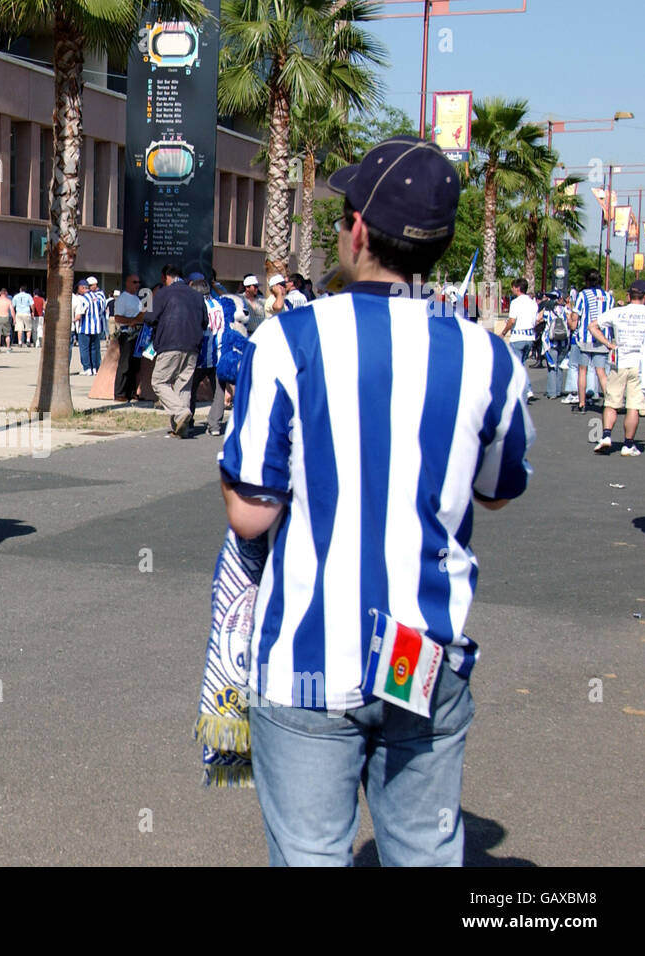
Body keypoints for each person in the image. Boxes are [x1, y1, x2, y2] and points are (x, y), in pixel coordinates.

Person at [219, 136, 533, 866]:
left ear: (358, 229)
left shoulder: (287, 339)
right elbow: (497, 492)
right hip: (419, 648)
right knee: (423, 847)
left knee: (310, 853)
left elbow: (251, 511)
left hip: (308, 653)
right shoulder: (487, 356)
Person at [145, 264, 205, 438]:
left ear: (165, 277)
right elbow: (205, 321)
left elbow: (149, 317)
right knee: (183, 386)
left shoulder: (163, 293)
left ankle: (180, 413)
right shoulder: (196, 296)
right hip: (193, 345)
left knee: (159, 381)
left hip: (169, 344)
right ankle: (181, 429)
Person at [588, 278, 645, 456]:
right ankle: (628, 444)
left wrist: (608, 344)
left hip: (619, 361)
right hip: (640, 364)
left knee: (612, 402)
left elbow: (593, 326)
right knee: (633, 406)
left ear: (629, 295)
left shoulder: (617, 312)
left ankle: (606, 435)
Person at [188, 274, 226, 436]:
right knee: (219, 391)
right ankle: (215, 424)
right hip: (218, 353)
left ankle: (188, 421)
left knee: (189, 389)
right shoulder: (219, 305)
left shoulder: (196, 307)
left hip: (200, 355)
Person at [570, 270, 614, 414]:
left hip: (585, 337)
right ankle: (609, 402)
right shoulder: (609, 297)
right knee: (601, 372)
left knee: (582, 370)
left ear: (587, 281)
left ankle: (582, 403)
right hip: (602, 338)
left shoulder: (583, 295)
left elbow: (576, 316)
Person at [503, 277, 537, 402]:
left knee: (517, 366)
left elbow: (512, 320)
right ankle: (525, 390)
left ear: (517, 288)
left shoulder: (515, 303)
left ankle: (526, 391)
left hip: (518, 337)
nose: (512, 289)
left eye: (513, 287)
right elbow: (535, 320)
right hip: (529, 337)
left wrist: (503, 333)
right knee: (522, 364)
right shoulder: (533, 303)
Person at [112, 274, 145, 402]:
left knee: (134, 365)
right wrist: (132, 321)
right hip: (127, 334)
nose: (137, 285)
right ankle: (119, 392)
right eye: (134, 282)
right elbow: (118, 318)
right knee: (124, 364)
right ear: (127, 283)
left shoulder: (137, 299)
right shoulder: (122, 299)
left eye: (138, 282)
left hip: (137, 334)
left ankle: (131, 391)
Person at [80, 277, 108, 375]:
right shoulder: (99, 296)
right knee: (94, 348)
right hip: (97, 326)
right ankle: (95, 367)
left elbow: (81, 311)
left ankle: (88, 368)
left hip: (86, 326)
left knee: (85, 348)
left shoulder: (85, 297)